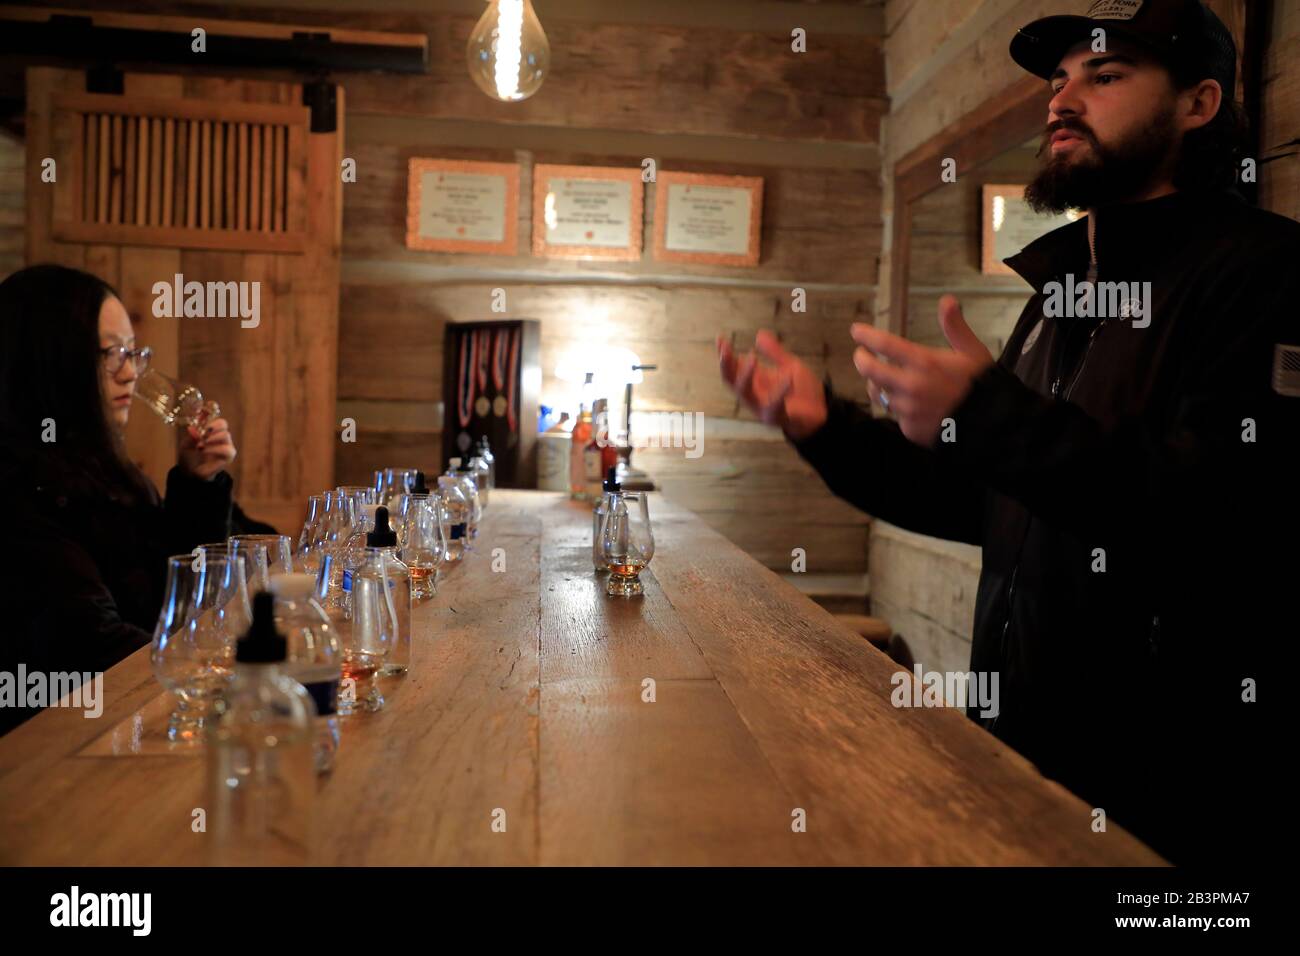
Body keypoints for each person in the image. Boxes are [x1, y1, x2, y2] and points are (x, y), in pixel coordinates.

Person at [719, 0, 1293, 864]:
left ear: (1198, 104)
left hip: (1178, 800)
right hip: (1025, 759)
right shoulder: (1059, 294)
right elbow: (989, 503)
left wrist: (988, 414)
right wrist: (824, 426)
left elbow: (1220, 517)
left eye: (1104, 76)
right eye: (1058, 82)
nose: (1063, 100)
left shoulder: (1266, 274)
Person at [0, 264, 272, 735]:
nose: (130, 372)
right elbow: (91, 643)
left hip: (135, 717)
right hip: (58, 747)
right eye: (111, 354)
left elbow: (178, 595)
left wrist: (198, 481)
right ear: (50, 361)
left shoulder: (107, 471)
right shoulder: (20, 488)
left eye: (133, 352)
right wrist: (225, 676)